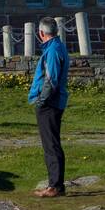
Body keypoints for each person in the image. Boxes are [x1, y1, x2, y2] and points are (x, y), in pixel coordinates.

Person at [28, 16, 70, 197]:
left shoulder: (52, 50)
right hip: (54, 101)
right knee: (52, 144)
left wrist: (41, 100)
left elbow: (51, 79)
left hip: (50, 103)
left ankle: (55, 186)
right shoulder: (57, 47)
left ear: (41, 33)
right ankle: (55, 184)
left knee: (51, 145)